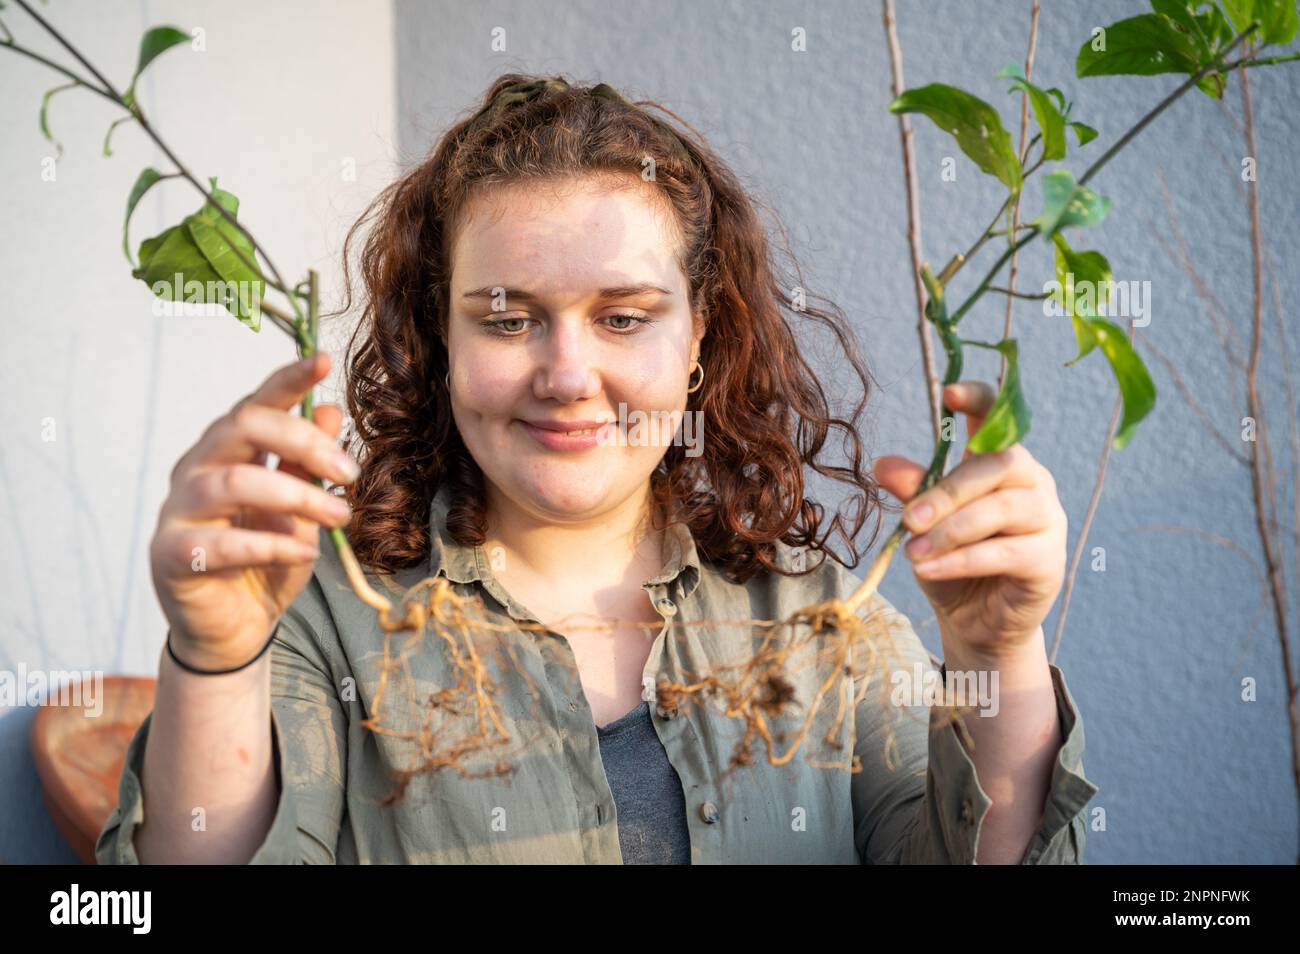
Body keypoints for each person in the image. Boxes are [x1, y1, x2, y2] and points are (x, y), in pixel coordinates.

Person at [97, 75, 1097, 865]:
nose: (568, 374)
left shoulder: (824, 622)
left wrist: (998, 653)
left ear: (699, 335)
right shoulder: (325, 616)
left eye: (623, 318)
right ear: (438, 340)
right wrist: (216, 655)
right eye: (505, 319)